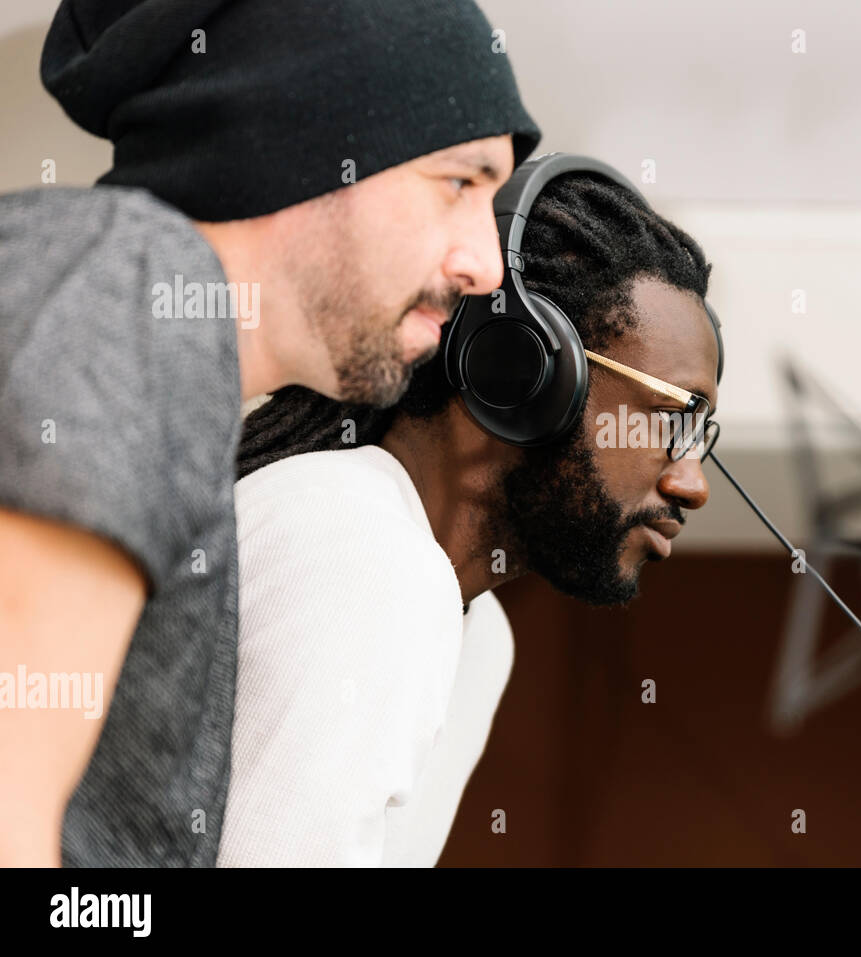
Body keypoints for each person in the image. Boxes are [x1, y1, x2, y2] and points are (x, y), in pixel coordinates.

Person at [0, 0, 540, 867]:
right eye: (458, 182)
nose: (485, 264)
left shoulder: (158, 337)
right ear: (301, 138)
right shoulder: (126, 283)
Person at [221, 164, 722, 865]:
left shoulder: (478, 634)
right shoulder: (354, 546)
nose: (692, 482)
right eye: (675, 418)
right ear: (521, 372)